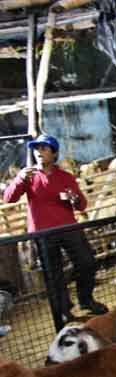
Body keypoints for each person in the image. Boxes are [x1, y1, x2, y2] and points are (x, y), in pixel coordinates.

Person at [3, 134, 107, 321]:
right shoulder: (28, 176)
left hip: (68, 228)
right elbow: (8, 198)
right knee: (53, 274)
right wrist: (18, 179)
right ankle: (64, 310)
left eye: (44, 148)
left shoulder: (65, 177)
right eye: (36, 149)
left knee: (87, 262)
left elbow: (82, 205)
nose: (39, 152)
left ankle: (86, 299)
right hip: (43, 232)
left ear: (54, 153)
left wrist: (74, 199)